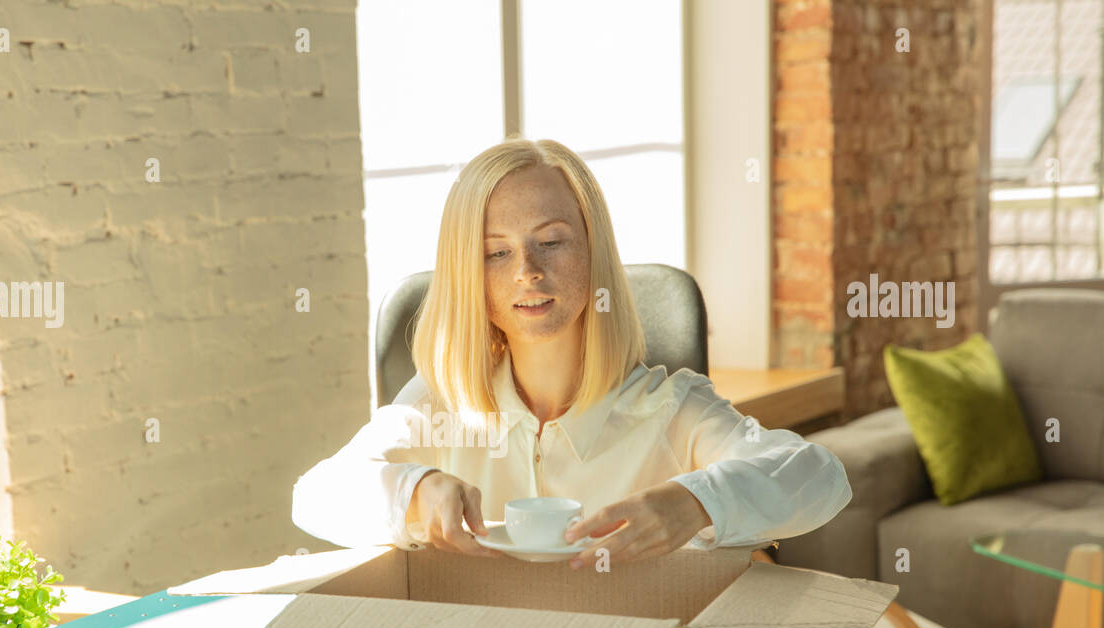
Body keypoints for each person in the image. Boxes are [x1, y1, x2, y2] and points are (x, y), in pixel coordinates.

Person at [292, 137, 852, 567]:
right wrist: (415, 491)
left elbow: (820, 477)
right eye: (495, 254)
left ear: (593, 250)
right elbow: (315, 494)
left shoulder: (669, 409)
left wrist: (692, 503)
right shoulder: (439, 406)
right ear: (469, 276)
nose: (528, 272)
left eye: (552, 242)